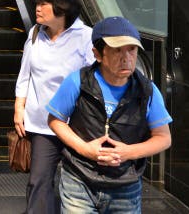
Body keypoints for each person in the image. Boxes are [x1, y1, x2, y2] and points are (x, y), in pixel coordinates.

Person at [47, 16, 172, 213]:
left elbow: (163, 138)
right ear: (98, 54)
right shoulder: (77, 82)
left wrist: (128, 152)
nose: (126, 58)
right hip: (79, 179)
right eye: (117, 50)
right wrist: (85, 149)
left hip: (125, 185)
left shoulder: (147, 90)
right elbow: (55, 120)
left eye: (132, 49)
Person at [13, 0, 95, 214]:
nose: (37, 8)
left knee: (79, 183)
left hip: (77, 124)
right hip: (42, 123)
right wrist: (19, 108)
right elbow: (25, 74)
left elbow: (95, 80)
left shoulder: (86, 36)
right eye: (37, 3)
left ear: (62, 7)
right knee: (38, 180)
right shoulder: (36, 33)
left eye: (44, 4)